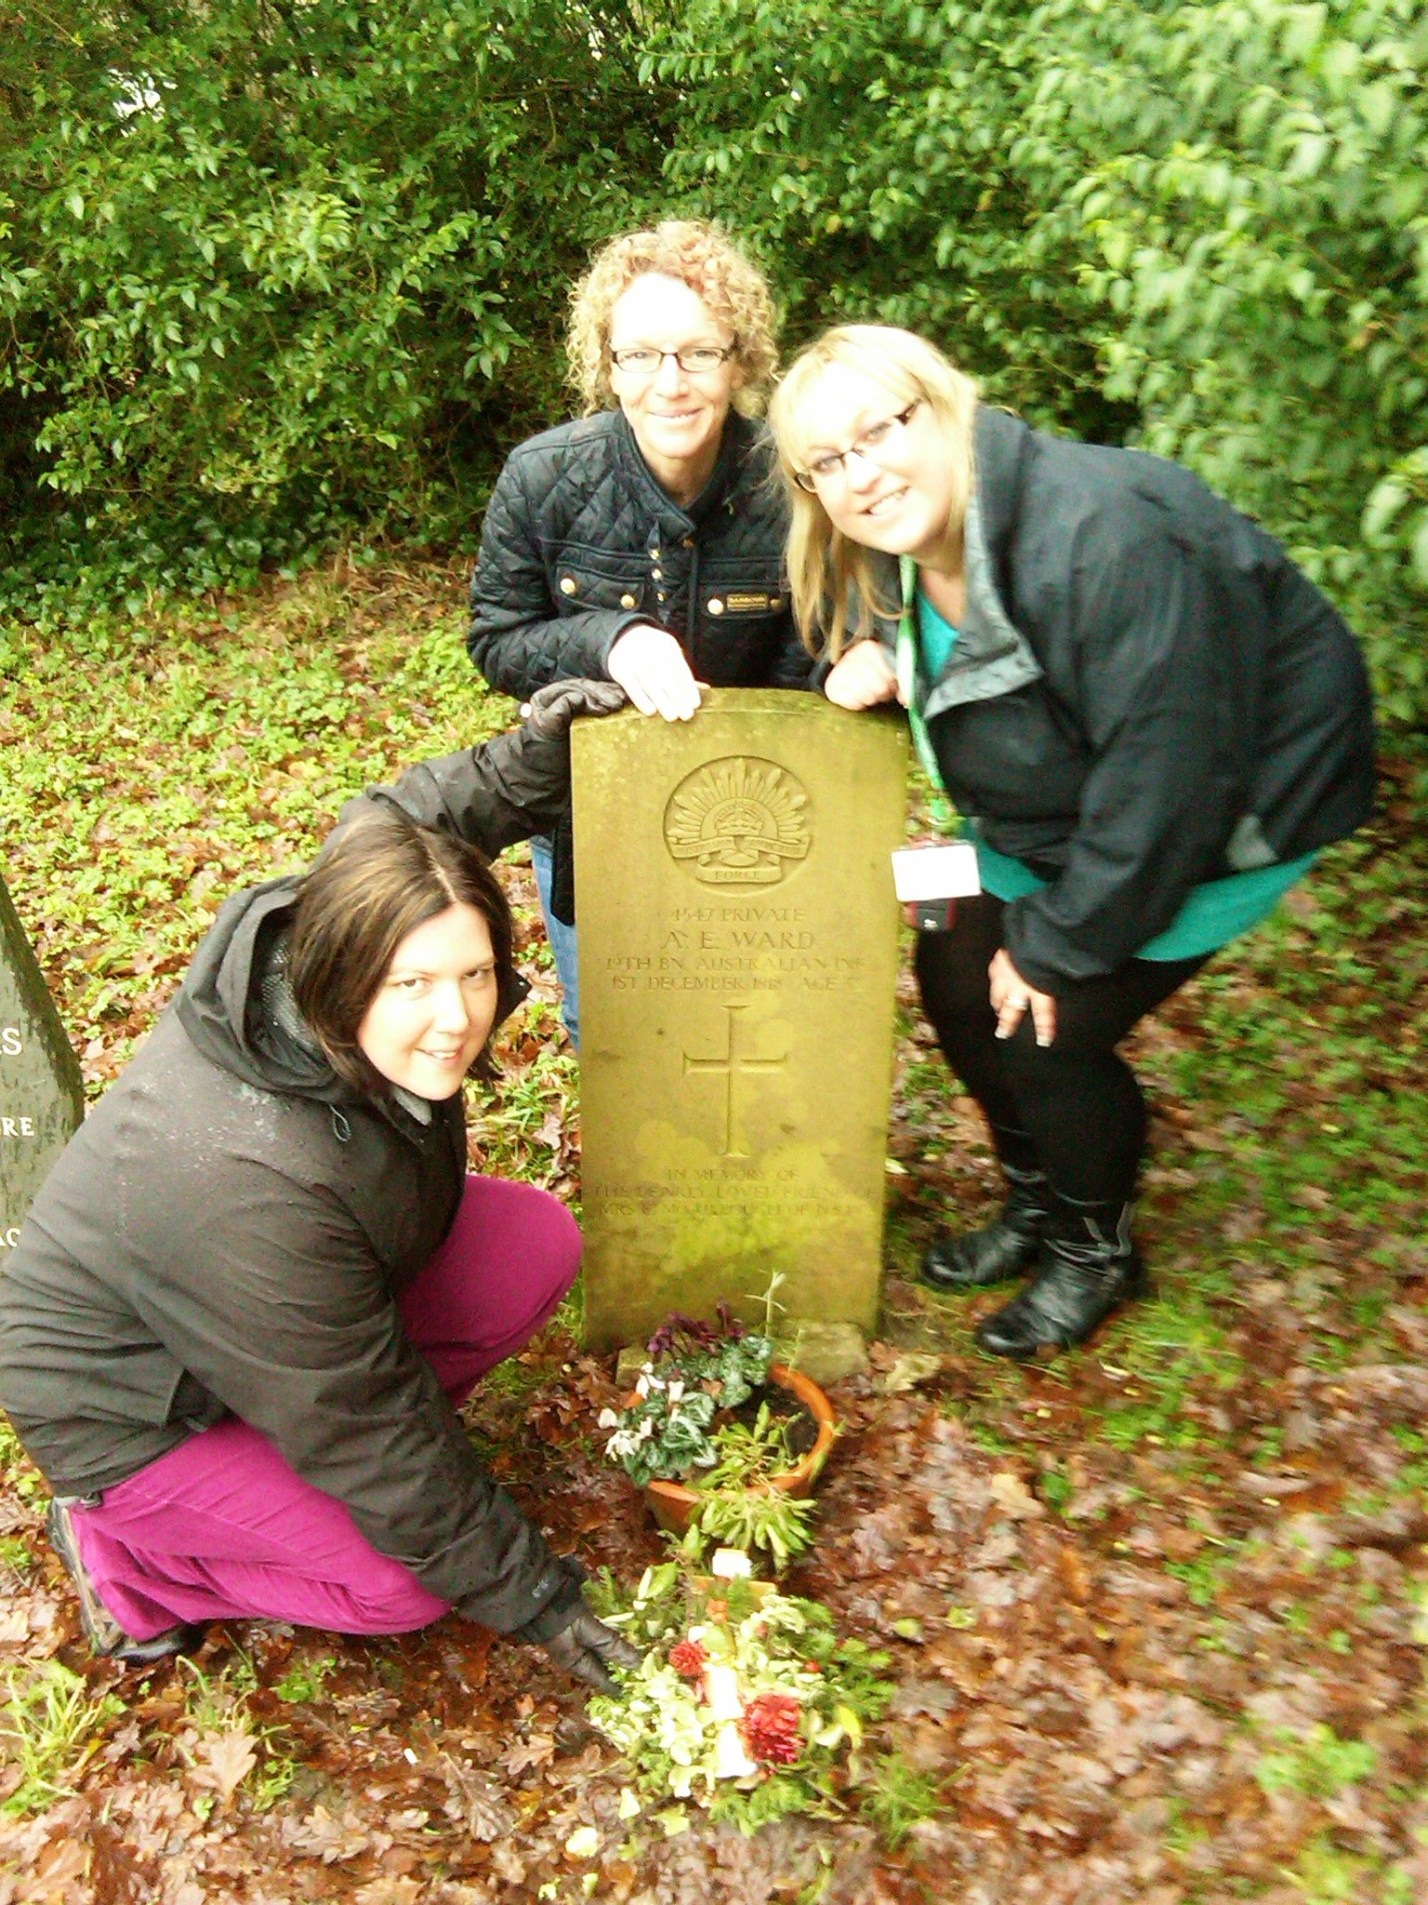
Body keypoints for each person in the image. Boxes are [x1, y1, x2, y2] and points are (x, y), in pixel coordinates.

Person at [0, 681, 640, 1688]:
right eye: (412, 985)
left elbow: (419, 815)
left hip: (273, 1311)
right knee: (400, 1581)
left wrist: (537, 754)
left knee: (532, 1246)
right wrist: (540, 1602)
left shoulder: (345, 911)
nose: (456, 1019)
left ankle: (289, 1444)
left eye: (474, 974)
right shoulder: (248, 1185)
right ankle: (128, 1562)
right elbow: (369, 1425)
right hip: (130, 1409)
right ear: (346, 972)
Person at [767, 325, 1375, 1358]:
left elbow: (1169, 778)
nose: (860, 475)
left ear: (944, 407)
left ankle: (1095, 1251)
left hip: (1225, 808)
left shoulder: (1102, 536)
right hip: (1055, 800)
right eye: (827, 461)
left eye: (879, 431)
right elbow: (931, 650)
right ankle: (1038, 1196)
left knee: (1041, 1024)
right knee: (956, 968)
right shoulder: (898, 541)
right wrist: (870, 654)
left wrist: (1058, 943)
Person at [468, 219, 811, 1042]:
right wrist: (609, 640)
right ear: (608, 364)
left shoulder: (794, 483)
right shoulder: (541, 477)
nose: (671, 382)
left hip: (748, 821)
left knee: (748, 1028)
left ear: (740, 360)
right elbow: (497, 640)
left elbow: (816, 656)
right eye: (641, 355)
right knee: (613, 1033)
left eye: (699, 352)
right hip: (589, 817)